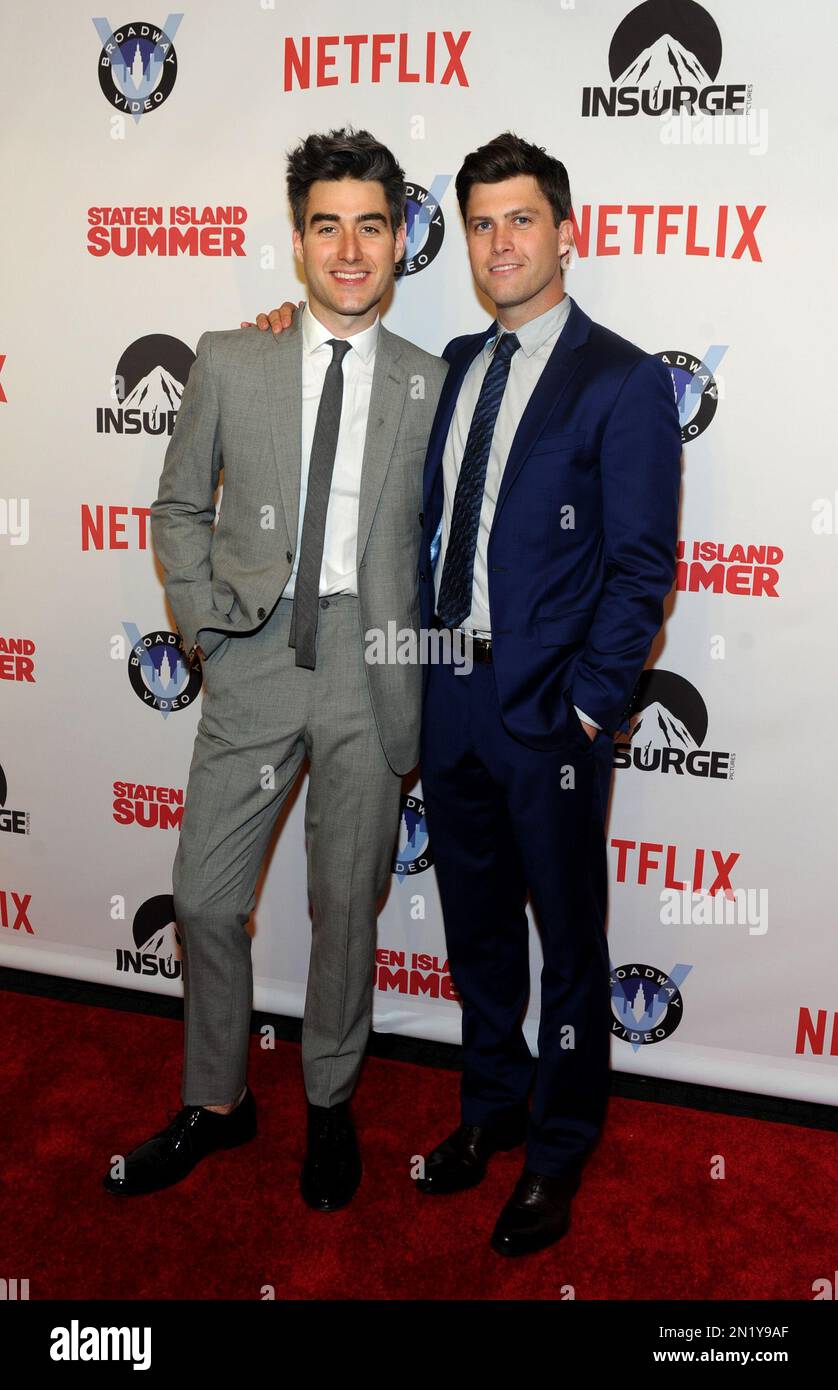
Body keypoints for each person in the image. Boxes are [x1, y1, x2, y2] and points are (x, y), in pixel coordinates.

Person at [253, 131, 682, 1256]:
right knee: (479, 927)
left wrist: (588, 705)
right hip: (445, 691)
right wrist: (271, 343)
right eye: (482, 223)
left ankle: (560, 1145)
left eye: (520, 220)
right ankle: (490, 1109)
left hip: (551, 714)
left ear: (565, 233)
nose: (498, 242)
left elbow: (641, 567)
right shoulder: (452, 362)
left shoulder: (623, 379)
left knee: (572, 942)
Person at [102, 129, 447, 1211]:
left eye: (372, 225)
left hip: (371, 665)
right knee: (205, 897)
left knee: (344, 906)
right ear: (297, 239)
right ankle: (219, 1102)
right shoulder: (231, 357)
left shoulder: (436, 384)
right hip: (254, 660)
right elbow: (176, 506)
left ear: (399, 240)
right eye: (326, 225)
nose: (349, 248)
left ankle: (330, 1102)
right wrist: (205, 626)